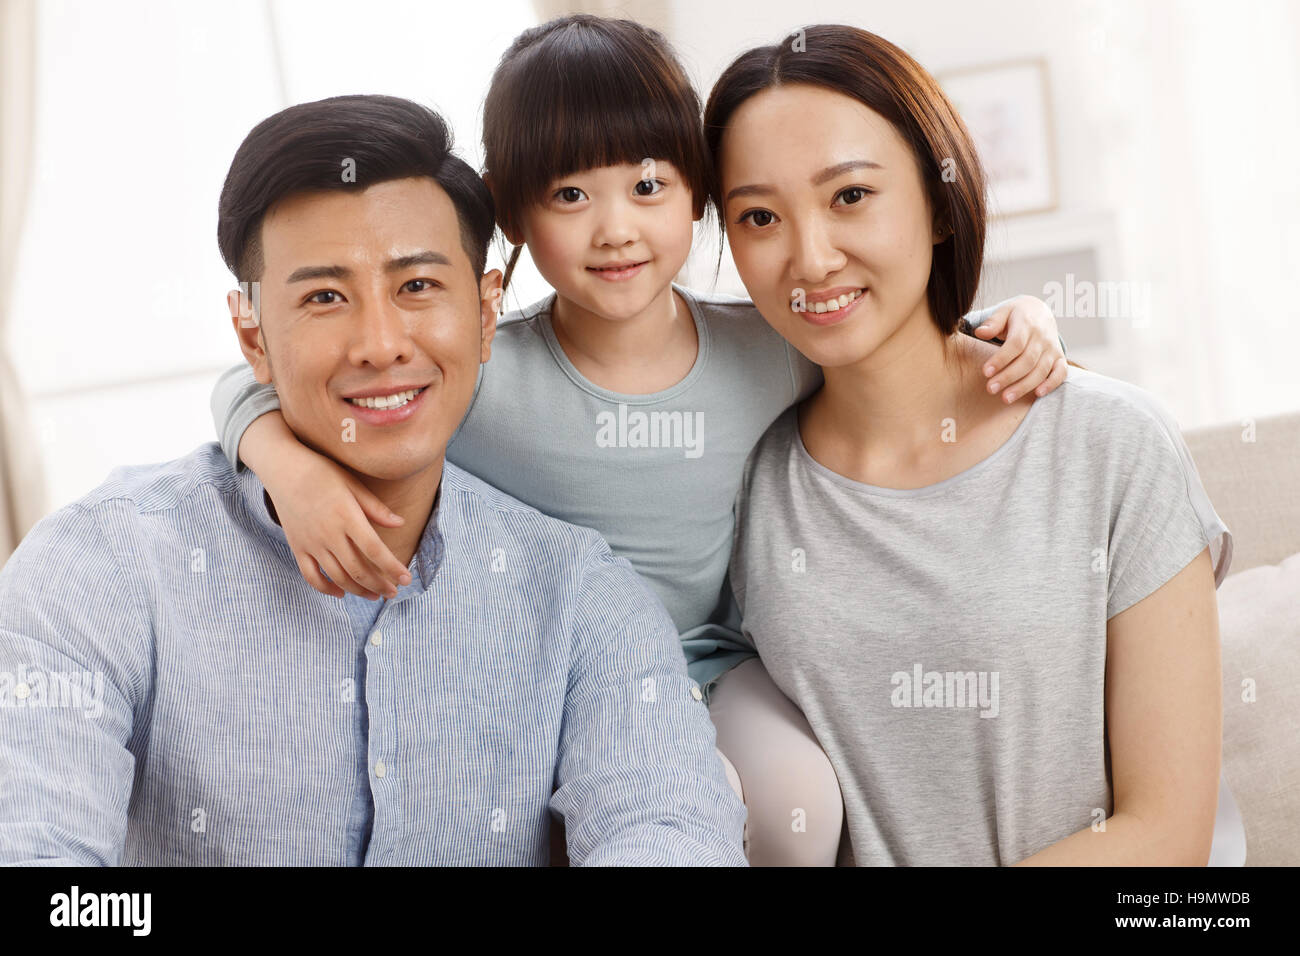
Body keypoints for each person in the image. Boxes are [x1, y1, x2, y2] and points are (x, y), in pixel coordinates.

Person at [209, 14, 1070, 866]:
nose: (614, 228)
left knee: (794, 800)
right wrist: (287, 464)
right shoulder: (480, 370)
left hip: (710, 667)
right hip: (539, 680)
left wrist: (1013, 321)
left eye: (648, 187)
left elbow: (895, 344)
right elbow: (251, 383)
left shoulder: (767, 349)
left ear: (699, 192)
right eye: (570, 196)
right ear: (512, 215)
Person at [0, 94, 746, 866]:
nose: (382, 344)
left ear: (488, 313)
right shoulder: (98, 570)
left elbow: (669, 827)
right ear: (252, 336)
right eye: (324, 297)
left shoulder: (583, 598)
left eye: (418, 286)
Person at [711, 24, 1233, 864]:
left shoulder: (1111, 447)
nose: (810, 258)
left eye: (850, 196)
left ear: (938, 201)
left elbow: (1168, 835)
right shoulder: (740, 487)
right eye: (760, 216)